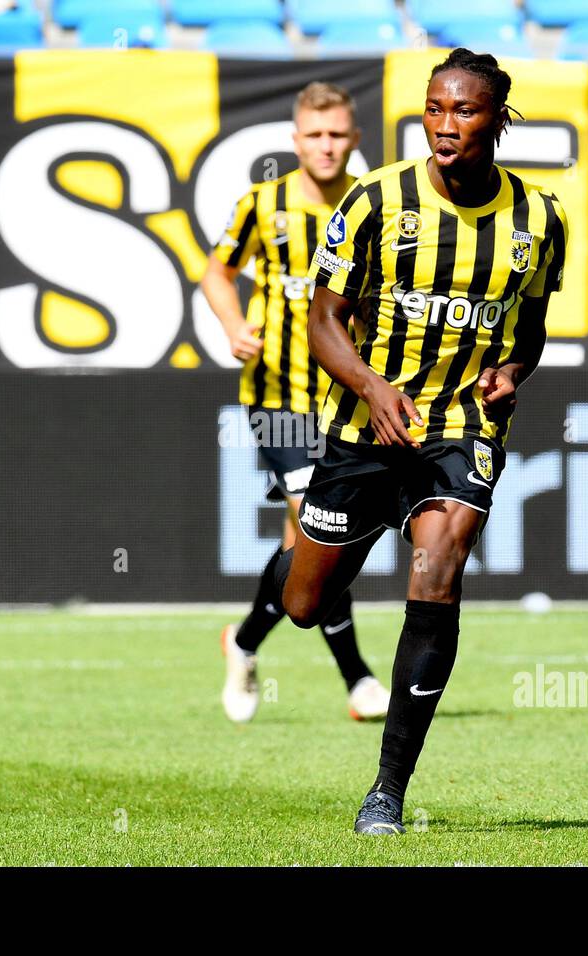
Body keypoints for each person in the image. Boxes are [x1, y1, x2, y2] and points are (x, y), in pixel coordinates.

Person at [276, 48, 569, 834]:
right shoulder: (376, 201)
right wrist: (371, 387)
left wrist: (514, 370)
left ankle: (387, 793)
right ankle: (341, 536)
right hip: (366, 424)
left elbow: (531, 332)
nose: (445, 125)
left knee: (441, 562)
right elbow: (322, 321)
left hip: (460, 425)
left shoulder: (539, 218)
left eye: (464, 111)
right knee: (303, 604)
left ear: (498, 118)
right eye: (435, 109)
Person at [202, 82, 391, 725]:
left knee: (306, 549)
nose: (327, 146)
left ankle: (245, 640)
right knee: (322, 524)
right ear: (295, 140)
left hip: (346, 400)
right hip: (281, 398)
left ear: (355, 139)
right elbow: (215, 271)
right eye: (314, 135)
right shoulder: (265, 204)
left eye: (337, 134)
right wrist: (232, 326)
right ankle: (360, 679)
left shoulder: (377, 205)